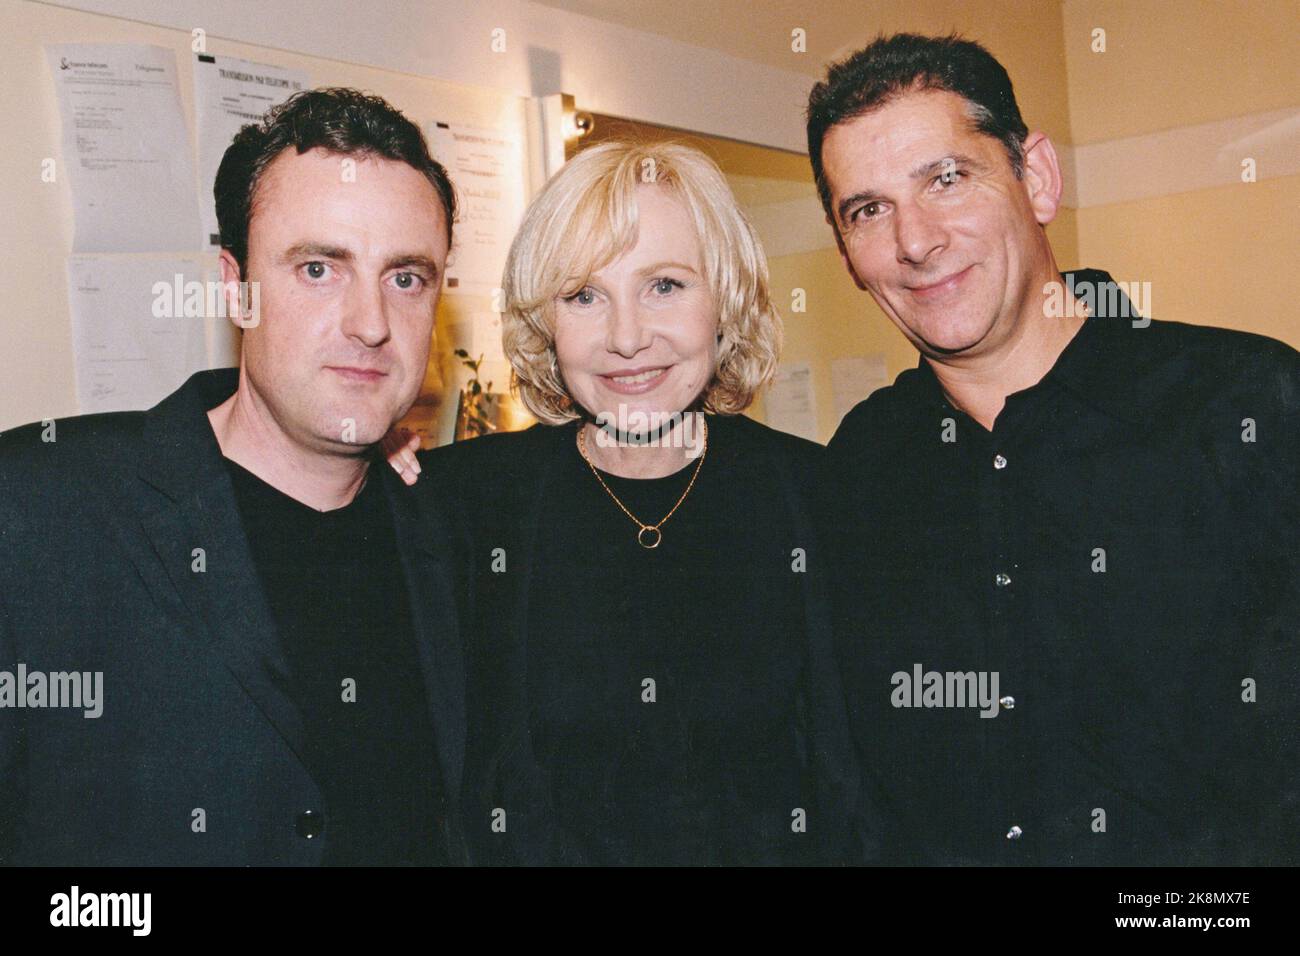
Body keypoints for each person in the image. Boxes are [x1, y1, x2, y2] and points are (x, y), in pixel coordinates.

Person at [807, 33, 1299, 865]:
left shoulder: (1248, 408)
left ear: (1036, 177)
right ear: (848, 253)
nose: (915, 240)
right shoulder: (857, 470)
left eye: (946, 178)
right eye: (868, 210)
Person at [0, 88, 467, 865]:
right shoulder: (38, 511)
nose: (372, 322)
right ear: (234, 283)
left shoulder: (457, 534)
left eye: (407, 278)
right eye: (319, 268)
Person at [393, 140, 859, 865]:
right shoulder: (461, 506)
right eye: (584, 296)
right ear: (547, 324)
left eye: (665, 285)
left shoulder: (820, 498)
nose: (628, 337)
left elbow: (852, 790)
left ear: (725, 299)